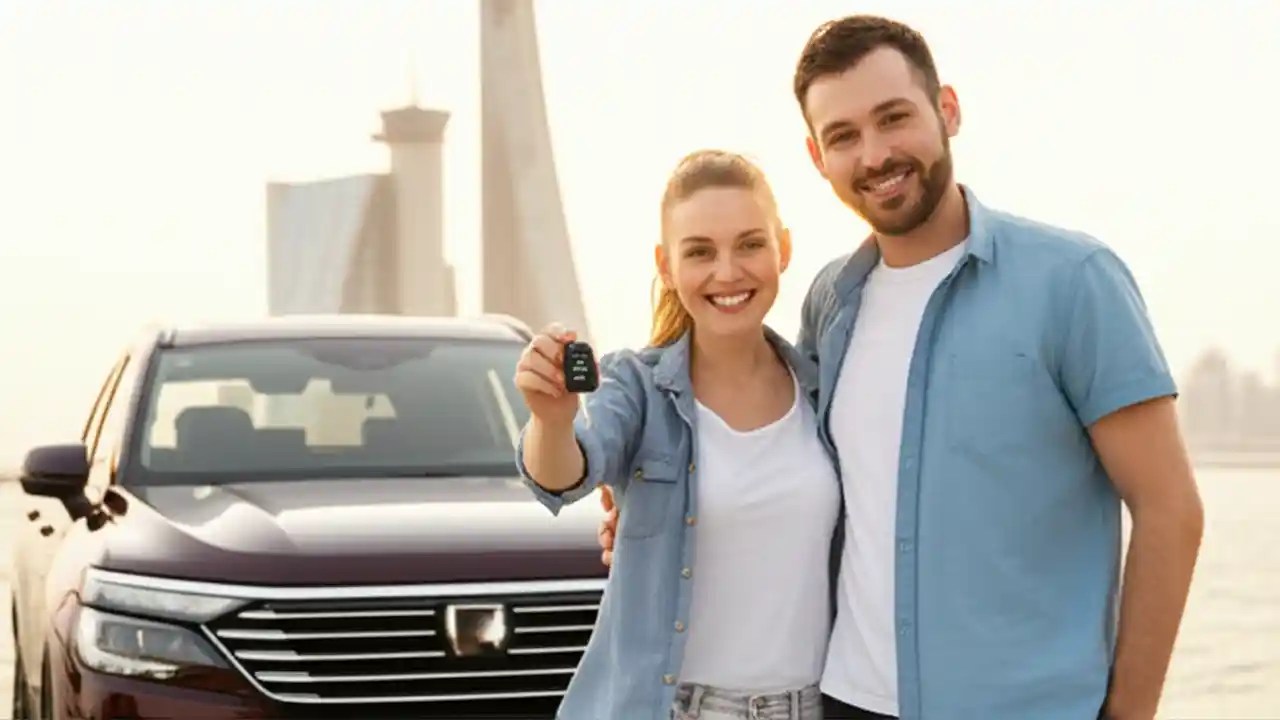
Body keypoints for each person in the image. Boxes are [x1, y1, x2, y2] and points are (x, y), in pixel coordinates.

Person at [596, 14, 1205, 720]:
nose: (876, 154)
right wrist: (657, 513)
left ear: (947, 109)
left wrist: (1127, 715)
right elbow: (786, 475)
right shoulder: (831, 302)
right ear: (817, 156)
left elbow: (1170, 512)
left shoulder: (1073, 283)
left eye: (894, 118)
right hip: (844, 702)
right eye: (844, 136)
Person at [514, 149, 840, 720]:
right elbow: (566, 476)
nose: (727, 272)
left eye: (750, 244)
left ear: (782, 248)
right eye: (700, 252)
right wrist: (551, 419)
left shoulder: (826, 390)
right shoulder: (636, 386)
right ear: (666, 266)